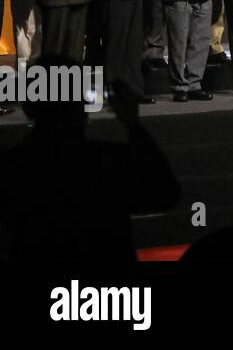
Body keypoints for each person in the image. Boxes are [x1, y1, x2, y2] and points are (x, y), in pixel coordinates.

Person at [0, 79, 179, 261]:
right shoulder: (108, 161)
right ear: (80, 111)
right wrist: (133, 125)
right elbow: (165, 194)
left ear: (29, 108)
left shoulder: (12, 166)